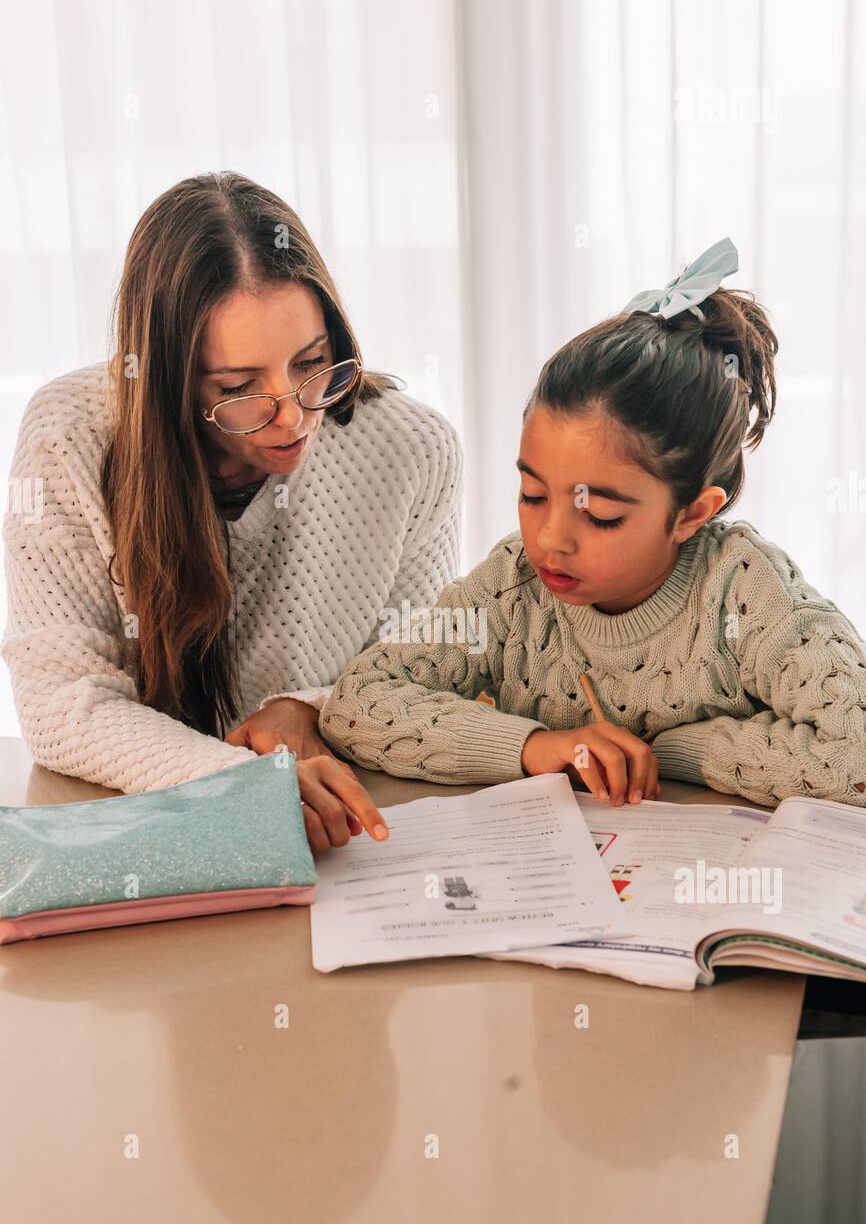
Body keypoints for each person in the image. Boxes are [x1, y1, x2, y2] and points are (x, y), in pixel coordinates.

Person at [2, 172, 463, 852]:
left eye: (312, 362)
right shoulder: (69, 434)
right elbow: (63, 701)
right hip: (147, 833)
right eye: (240, 387)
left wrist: (304, 707)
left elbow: (421, 668)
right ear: (170, 379)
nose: (294, 414)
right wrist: (244, 781)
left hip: (345, 833)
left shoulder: (411, 447)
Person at [319, 239, 866, 811]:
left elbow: (855, 754)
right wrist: (536, 746)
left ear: (691, 514)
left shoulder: (747, 593)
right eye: (532, 494)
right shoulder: (513, 587)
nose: (550, 539)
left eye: (600, 515)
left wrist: (678, 751)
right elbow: (358, 701)